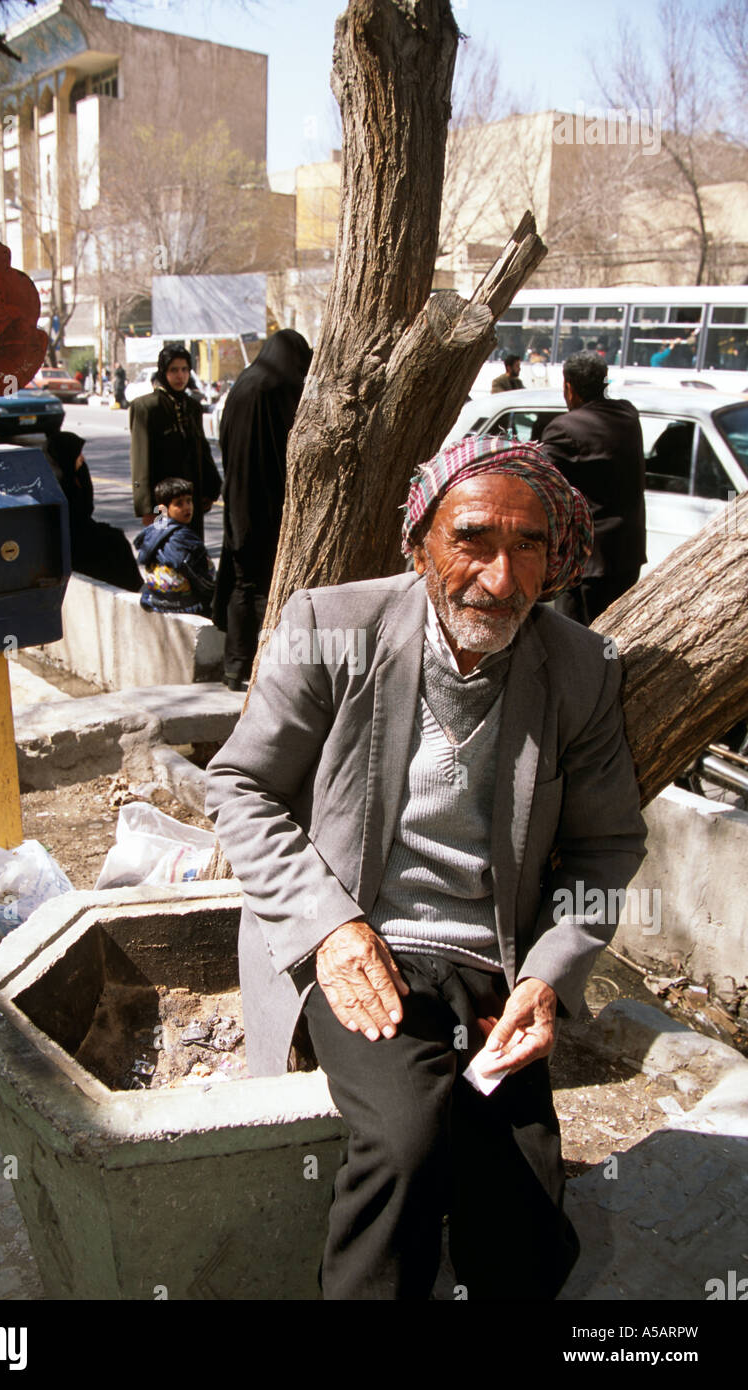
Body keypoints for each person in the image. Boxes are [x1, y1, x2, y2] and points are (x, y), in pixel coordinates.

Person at [205, 435, 647, 1301]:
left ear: (556, 560)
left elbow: (607, 847)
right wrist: (329, 929)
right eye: (473, 539)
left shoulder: (579, 670)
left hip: (492, 958)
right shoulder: (332, 629)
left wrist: (551, 976)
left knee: (518, 1181)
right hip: (361, 936)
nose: (500, 577)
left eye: (529, 547)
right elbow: (241, 787)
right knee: (404, 1142)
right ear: (419, 544)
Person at [212, 328, 312, 690]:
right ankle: (262, 667)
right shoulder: (279, 387)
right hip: (267, 504)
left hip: (237, 499)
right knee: (266, 585)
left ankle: (233, 666)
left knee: (243, 582)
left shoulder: (243, 383)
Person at [540, 350, 646, 624]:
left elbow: (539, 477)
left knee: (579, 639)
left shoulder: (565, 428)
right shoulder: (628, 414)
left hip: (588, 563)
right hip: (627, 555)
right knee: (615, 634)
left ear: (569, 387)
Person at [129, 343, 221, 542]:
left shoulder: (193, 406)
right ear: (163, 372)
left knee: (191, 552)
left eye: (184, 370)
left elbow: (202, 449)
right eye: (174, 370)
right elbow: (141, 459)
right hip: (162, 501)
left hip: (189, 499)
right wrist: (147, 508)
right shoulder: (146, 407)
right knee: (166, 553)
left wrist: (211, 488)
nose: (180, 376)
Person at [45, 431, 142, 592]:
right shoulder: (56, 482)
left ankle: (134, 585)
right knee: (111, 545)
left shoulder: (78, 470)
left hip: (82, 526)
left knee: (116, 539)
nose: (82, 458)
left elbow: (87, 507)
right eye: (78, 454)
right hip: (64, 537)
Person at [134, 476, 216, 617]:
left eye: (189, 501)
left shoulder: (152, 531)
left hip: (156, 600)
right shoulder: (183, 537)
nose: (186, 507)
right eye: (179, 504)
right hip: (184, 604)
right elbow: (197, 572)